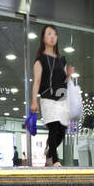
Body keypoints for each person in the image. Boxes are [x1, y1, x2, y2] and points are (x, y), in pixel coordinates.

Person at [30, 25, 73, 167]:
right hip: (47, 97)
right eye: (49, 34)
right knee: (54, 127)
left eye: (55, 34)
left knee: (62, 129)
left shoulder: (62, 60)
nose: (53, 36)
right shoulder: (40, 60)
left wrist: (69, 76)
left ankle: (49, 152)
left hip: (62, 99)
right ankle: (55, 160)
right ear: (43, 38)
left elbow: (65, 81)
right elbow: (36, 82)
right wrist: (33, 101)